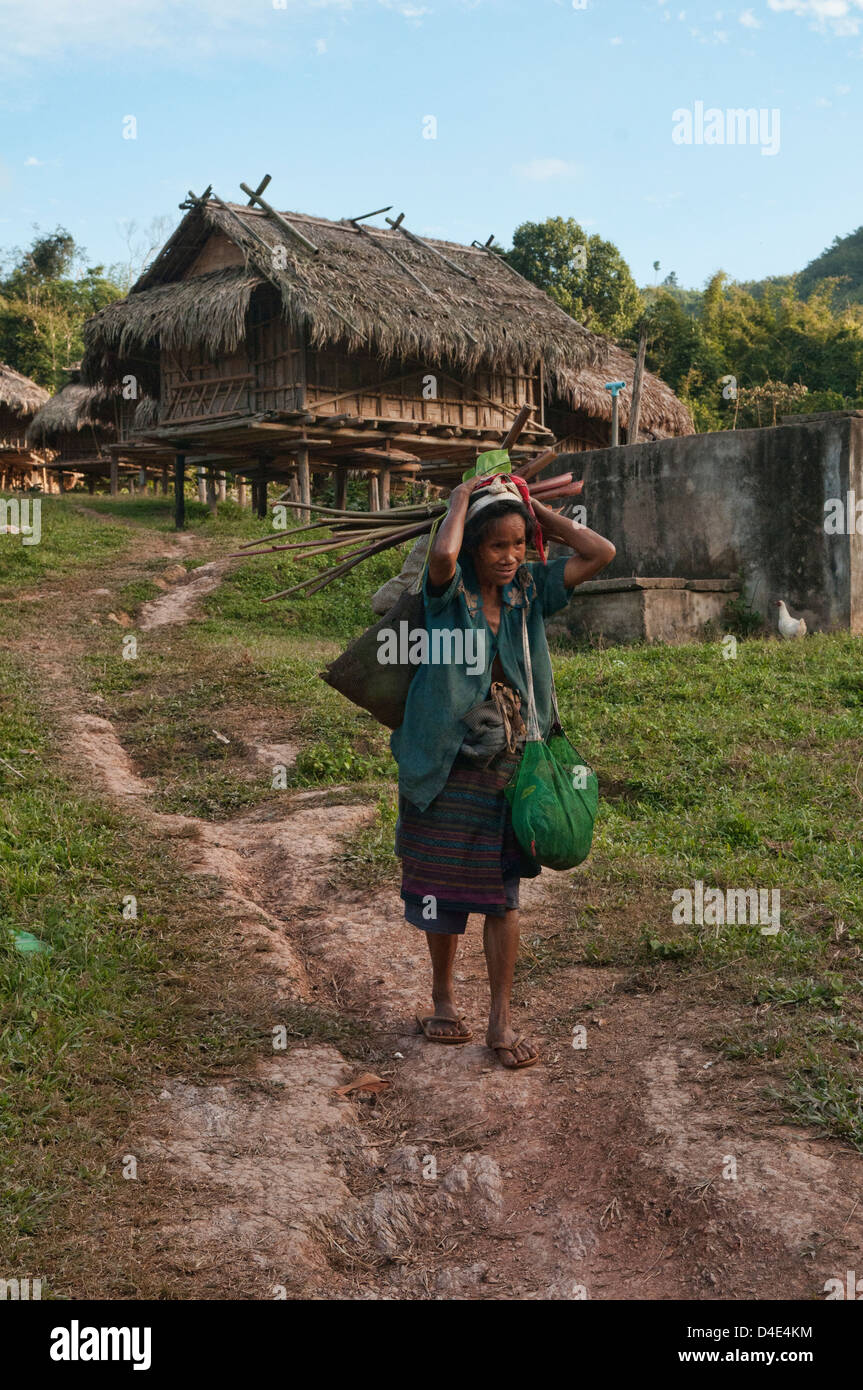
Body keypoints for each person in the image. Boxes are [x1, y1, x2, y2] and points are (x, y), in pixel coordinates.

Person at [391, 471, 616, 1070]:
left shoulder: (530, 591)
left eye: (519, 544)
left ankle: (500, 1019)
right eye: (497, 545)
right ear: (474, 547)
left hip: (510, 762)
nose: (511, 556)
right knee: (439, 888)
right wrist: (462, 499)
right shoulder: (448, 592)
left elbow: (601, 553)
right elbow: (443, 554)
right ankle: (442, 998)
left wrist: (536, 514)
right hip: (442, 762)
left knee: (502, 896)